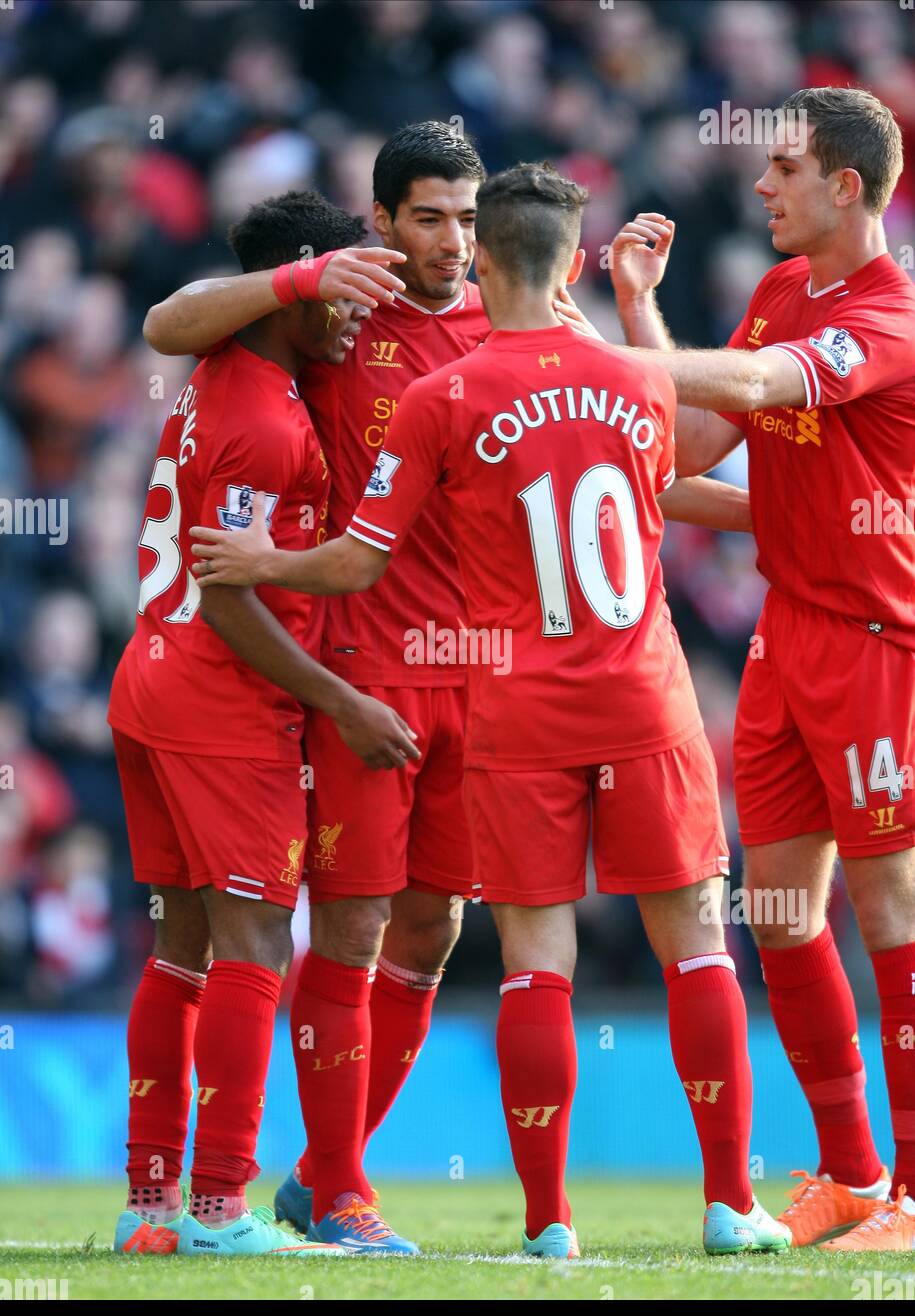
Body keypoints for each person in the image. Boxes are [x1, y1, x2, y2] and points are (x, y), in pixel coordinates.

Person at [188, 162, 786, 1259]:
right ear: (382, 222)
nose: (449, 240)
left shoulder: (457, 385)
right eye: (428, 218)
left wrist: (260, 561)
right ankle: (345, 1185)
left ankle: (518, 1216)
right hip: (440, 676)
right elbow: (172, 322)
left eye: (466, 222)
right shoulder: (349, 314)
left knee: (476, 941)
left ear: (490, 243)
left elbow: (363, 551)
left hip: (501, 694)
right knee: (384, 929)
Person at [610, 85, 915, 1251]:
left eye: (784, 168)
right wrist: (638, 313)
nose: (761, 183)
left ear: (847, 184)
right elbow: (689, 442)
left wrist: (585, 355)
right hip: (788, 634)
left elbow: (750, 386)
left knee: (890, 910)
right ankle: (853, 1173)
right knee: (782, 911)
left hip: (880, 640)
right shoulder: (784, 290)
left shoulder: (891, 316)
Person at [109, 189, 417, 1258]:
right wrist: (343, 700)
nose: (356, 317)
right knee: (251, 948)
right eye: (345, 290)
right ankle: (219, 1206)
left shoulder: (220, 369)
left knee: (179, 952)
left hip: (150, 679)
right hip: (220, 701)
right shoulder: (266, 426)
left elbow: (184, 310)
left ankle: (150, 1205)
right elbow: (230, 597)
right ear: (296, 284)